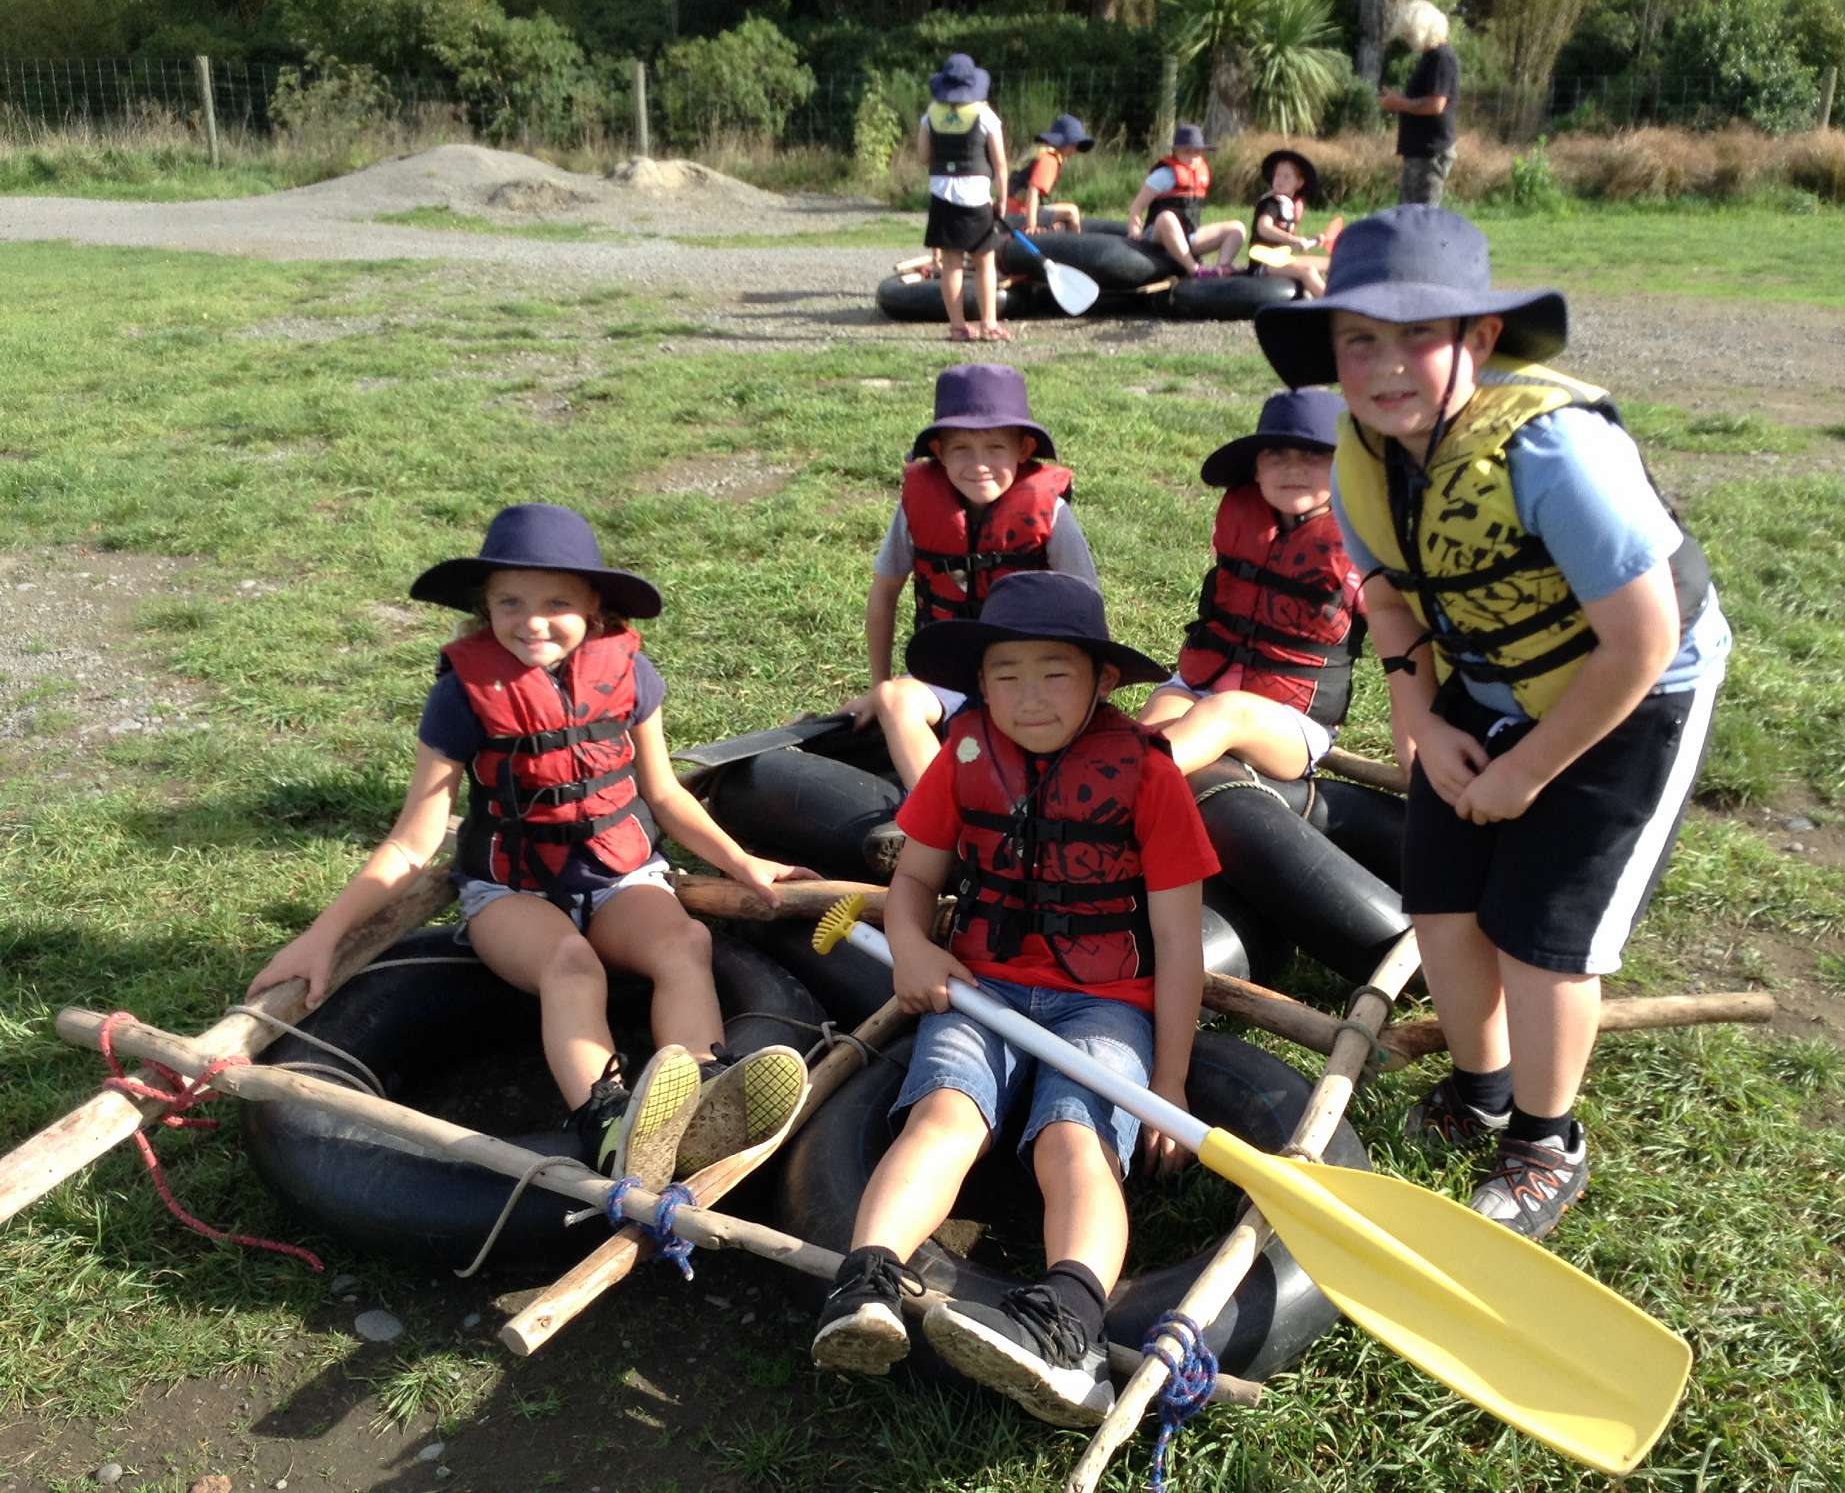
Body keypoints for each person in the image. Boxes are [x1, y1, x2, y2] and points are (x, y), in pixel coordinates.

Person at [1254, 207, 1731, 1241]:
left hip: (1633, 686)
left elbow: (1642, 639)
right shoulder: (1361, 456)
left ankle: (1546, 1143)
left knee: (1543, 937)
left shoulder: (1552, 450)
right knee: (1441, 905)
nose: (1384, 366)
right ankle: (1480, 1088)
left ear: (1477, 337)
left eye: (1415, 336)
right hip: (1483, 675)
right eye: (1357, 340)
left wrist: (1528, 772)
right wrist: (1421, 719)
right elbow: (1387, 601)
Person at [246, 503, 812, 1181]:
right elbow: (412, 841)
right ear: (485, 608)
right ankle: (611, 1123)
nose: (532, 621)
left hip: (619, 877)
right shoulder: (461, 698)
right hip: (511, 893)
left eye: (556, 603)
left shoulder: (632, 676)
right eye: (510, 602)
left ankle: (703, 1097)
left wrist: (744, 863)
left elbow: (663, 795)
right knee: (571, 966)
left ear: (593, 606)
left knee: (685, 944)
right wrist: (322, 936)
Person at [810, 571, 1217, 1427]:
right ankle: (867, 1282)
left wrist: (1170, 1084)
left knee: (1074, 1140)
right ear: (980, 686)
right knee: (942, 1117)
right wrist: (912, 948)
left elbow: (1181, 945)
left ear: (1104, 680)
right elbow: (913, 882)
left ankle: (1068, 1326)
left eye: (1055, 673)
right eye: (1006, 675)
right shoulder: (965, 757)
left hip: (1104, 1002)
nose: (1028, 698)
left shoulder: (1149, 776)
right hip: (978, 986)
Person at [839, 364, 1100, 792]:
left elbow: (1087, 606)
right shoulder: (916, 508)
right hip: (947, 674)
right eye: (961, 449)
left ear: (1023, 448)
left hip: (1023, 676)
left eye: (995, 447)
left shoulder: (1050, 513)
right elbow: (884, 594)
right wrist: (878, 684)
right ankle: (935, 814)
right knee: (894, 699)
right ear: (938, 452)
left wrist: (1088, 696)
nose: (979, 465)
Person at [1138, 388, 1365, 781]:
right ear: (1256, 469)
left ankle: (1114, 792)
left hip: (1291, 723)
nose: (1293, 469)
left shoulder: (1360, 547)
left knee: (1226, 712)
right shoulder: (1244, 516)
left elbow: (1407, 642)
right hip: (1199, 685)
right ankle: (1121, 786)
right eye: (1276, 455)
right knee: (1150, 730)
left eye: (1313, 455)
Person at [918, 53, 1010, 343]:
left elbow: (923, 157)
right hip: (975, 195)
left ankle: (958, 327)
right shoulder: (985, 115)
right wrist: (1003, 199)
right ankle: (989, 324)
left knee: (951, 262)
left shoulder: (930, 115)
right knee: (984, 260)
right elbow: (1000, 164)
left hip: (941, 194)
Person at [1125, 123, 1245, 278]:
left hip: (1188, 235)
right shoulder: (1164, 175)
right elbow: (1137, 205)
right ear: (1176, 152)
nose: (1192, 157)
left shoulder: (1201, 175)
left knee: (1237, 228)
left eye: (1197, 152)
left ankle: (1222, 268)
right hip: (1157, 235)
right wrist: (1134, 229)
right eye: (1187, 151)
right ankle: (1194, 269)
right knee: (1167, 217)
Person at [1380, 0, 1459, 206]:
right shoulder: (1429, 57)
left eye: (1409, 34)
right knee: (1408, 212)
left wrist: (1399, 103)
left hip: (1431, 152)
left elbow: (1436, 104)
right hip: (1419, 150)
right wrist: (1399, 99)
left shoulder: (1442, 58)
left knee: (1422, 215)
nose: (1407, 39)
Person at [1245, 148, 1342, 299]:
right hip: (1263, 264)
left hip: (1281, 259)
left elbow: (1284, 243)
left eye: (1286, 177)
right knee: (1308, 271)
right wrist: (1293, 239)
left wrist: (1312, 240)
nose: (1280, 180)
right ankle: (1332, 304)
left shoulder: (1289, 207)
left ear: (1299, 183)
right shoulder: (1270, 203)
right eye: (1277, 175)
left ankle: (1346, 295)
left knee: (1331, 263)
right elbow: (1264, 228)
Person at [1004, 113, 1094, 234]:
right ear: (1063, 142)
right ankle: (1077, 244)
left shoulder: (1040, 151)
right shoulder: (1049, 160)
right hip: (1019, 213)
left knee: (1060, 216)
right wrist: (1031, 225)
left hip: (1011, 209)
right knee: (1072, 211)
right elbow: (1033, 190)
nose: (1075, 150)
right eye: (1073, 144)